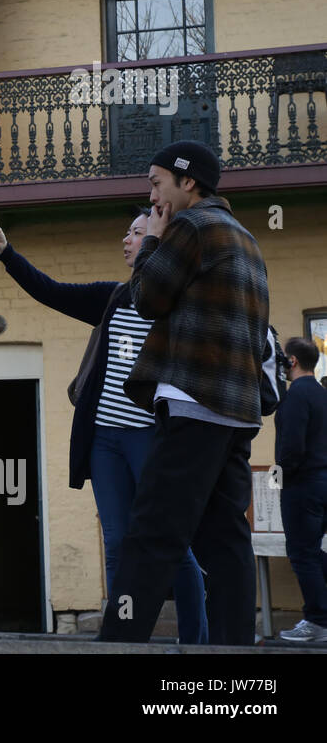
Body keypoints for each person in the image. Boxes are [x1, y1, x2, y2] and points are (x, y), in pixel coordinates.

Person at [0, 210, 208, 644]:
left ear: (159, 242)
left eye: (137, 233)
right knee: (118, 542)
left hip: (150, 438)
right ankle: (120, 641)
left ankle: (196, 641)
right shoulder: (112, 298)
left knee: (169, 541)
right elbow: (51, 291)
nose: (126, 239)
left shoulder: (176, 304)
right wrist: (5, 252)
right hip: (105, 438)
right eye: (127, 232)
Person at [101, 141, 269, 646]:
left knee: (152, 532)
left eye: (156, 183)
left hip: (194, 402)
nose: (151, 195)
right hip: (236, 411)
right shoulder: (245, 237)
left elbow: (147, 297)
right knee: (225, 538)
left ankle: (119, 641)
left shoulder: (191, 228)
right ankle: (232, 647)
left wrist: (153, 239)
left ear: (187, 182)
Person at [274, 337, 327, 643]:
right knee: (311, 551)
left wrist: (277, 480)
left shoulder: (296, 397)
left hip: (303, 485)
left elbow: (291, 449)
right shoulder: (322, 394)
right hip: (323, 481)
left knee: (301, 554)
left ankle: (318, 622)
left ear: (291, 361)